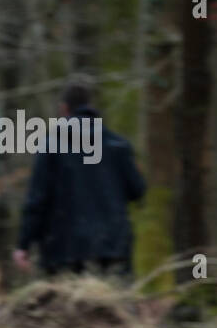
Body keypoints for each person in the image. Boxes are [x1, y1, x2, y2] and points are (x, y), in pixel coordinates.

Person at [14, 81, 146, 277]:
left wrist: (23, 244)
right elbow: (138, 190)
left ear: (64, 109)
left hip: (64, 251)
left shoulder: (51, 146)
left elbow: (37, 200)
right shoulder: (118, 145)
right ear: (91, 107)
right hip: (113, 246)